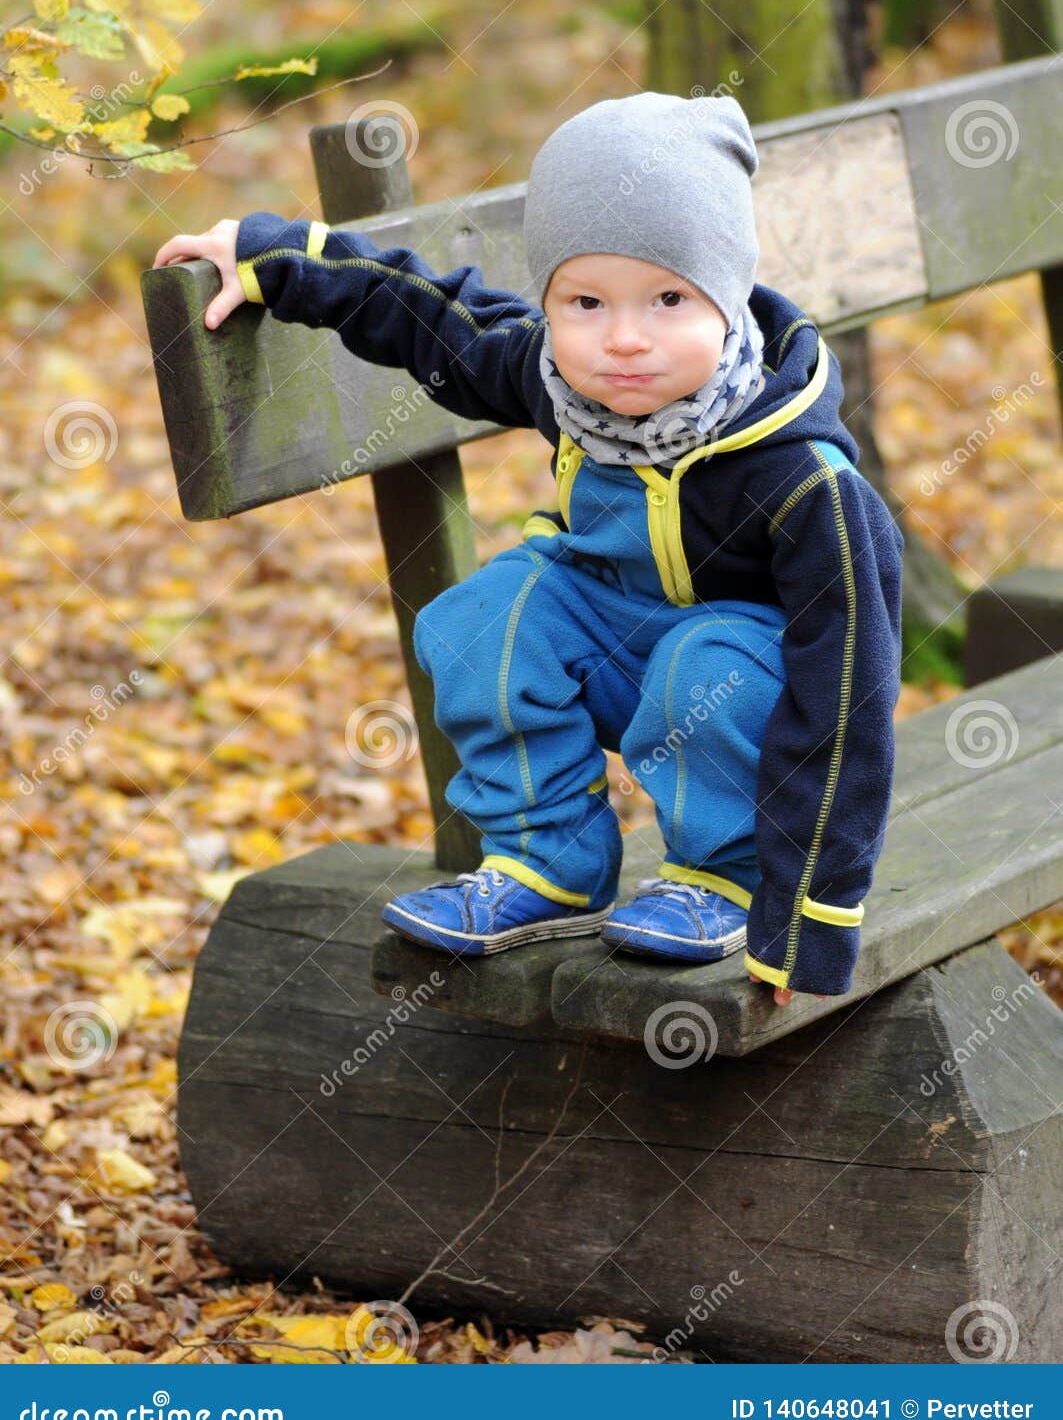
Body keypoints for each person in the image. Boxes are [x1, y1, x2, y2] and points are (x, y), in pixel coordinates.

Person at [151, 91, 904, 1005]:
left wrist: (809, 923)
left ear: (727, 294)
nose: (623, 338)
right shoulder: (559, 378)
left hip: (744, 696)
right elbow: (429, 314)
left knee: (705, 655)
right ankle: (546, 860)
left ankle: (721, 879)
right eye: (585, 301)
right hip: (624, 652)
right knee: (485, 614)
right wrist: (278, 257)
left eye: (668, 299)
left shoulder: (804, 481)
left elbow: (847, 692)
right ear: (550, 301)